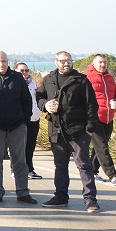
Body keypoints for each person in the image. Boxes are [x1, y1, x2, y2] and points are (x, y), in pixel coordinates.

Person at [40, 52, 101, 212]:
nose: (66, 63)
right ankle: (60, 197)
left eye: (69, 60)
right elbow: (39, 96)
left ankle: (90, 200)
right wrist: (45, 105)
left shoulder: (81, 80)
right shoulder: (48, 79)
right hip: (56, 130)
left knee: (84, 165)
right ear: (56, 62)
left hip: (78, 131)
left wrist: (89, 129)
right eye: (63, 61)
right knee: (60, 166)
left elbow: (91, 105)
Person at [0, 51, 37, 205]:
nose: (1, 64)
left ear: (8, 61)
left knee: (20, 160)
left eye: (4, 61)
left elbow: (26, 100)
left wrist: (25, 120)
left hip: (17, 125)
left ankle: (23, 192)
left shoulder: (17, 77)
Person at [84, 54, 116, 186]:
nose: (103, 65)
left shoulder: (109, 77)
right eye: (100, 62)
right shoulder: (87, 77)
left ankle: (92, 171)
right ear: (93, 63)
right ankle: (113, 175)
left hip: (108, 116)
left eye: (105, 62)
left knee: (100, 146)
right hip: (94, 117)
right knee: (102, 147)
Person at [16, 61, 43, 180]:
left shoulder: (32, 83)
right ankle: (16, 170)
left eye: (26, 70)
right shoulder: (14, 83)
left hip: (34, 118)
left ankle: (29, 169)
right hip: (21, 119)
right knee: (20, 147)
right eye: (21, 70)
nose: (24, 73)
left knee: (30, 146)